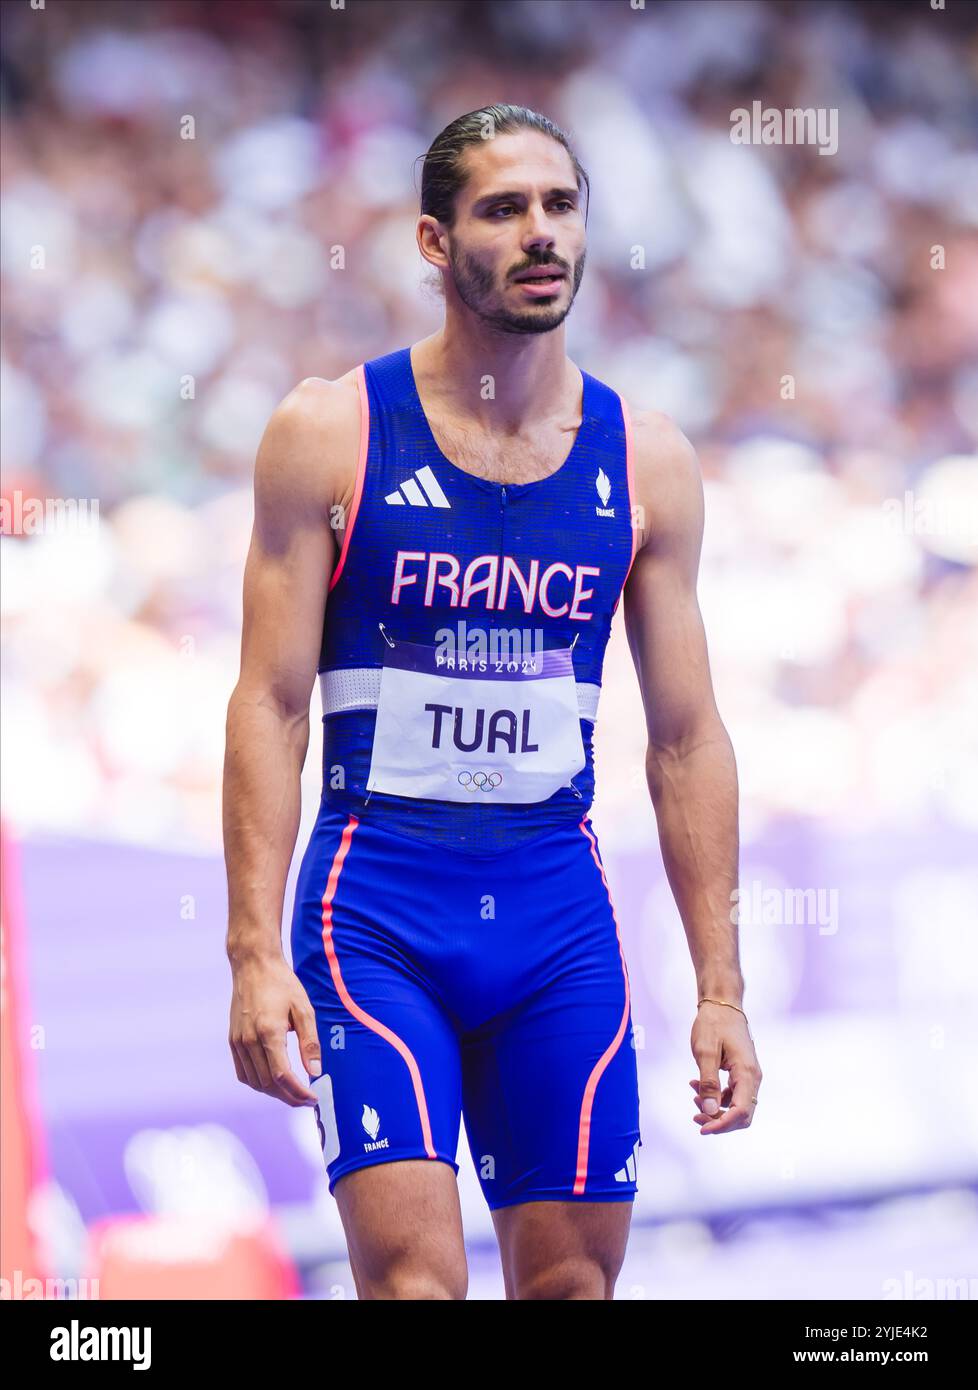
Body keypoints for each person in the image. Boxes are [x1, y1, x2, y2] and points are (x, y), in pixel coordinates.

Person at [223, 104, 761, 1301]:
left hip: (555, 924)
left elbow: (685, 739)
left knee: (572, 1287)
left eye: (560, 206)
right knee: (416, 1285)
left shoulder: (646, 458)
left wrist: (721, 988)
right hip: (374, 917)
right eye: (503, 208)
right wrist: (253, 953)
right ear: (433, 240)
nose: (540, 234)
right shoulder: (329, 433)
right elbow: (268, 702)